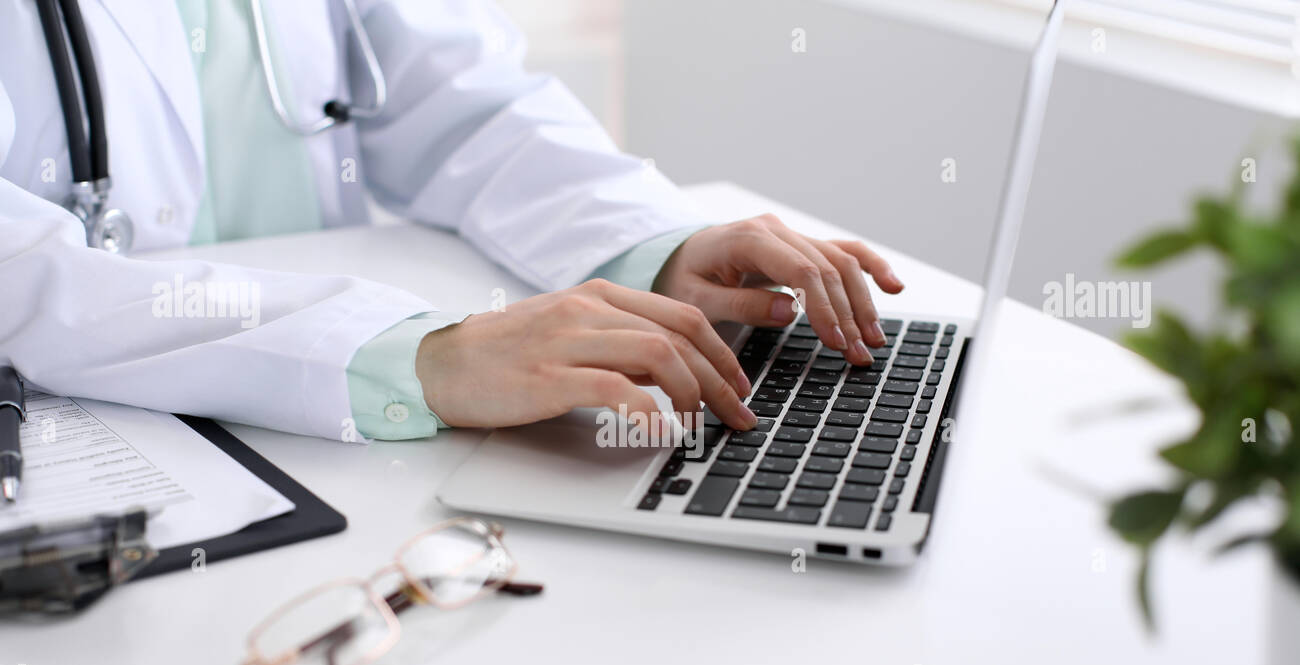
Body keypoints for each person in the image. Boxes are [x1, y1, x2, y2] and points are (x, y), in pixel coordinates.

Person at [0, 0, 903, 442]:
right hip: (87, 421)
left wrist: (652, 246)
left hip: (335, 429)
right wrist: (406, 356)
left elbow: (460, 101)